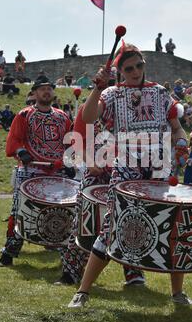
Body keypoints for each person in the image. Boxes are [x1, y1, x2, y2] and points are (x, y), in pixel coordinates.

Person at [68, 42, 192, 308]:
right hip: (126, 167)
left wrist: (183, 143)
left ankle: (178, 294)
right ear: (120, 71)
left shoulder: (162, 93)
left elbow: (176, 128)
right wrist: (97, 88)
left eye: (139, 65)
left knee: (171, 223)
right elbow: (90, 117)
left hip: (160, 168)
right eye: (129, 68)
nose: (135, 71)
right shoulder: (112, 94)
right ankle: (82, 292)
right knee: (111, 227)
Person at [56, 104, 145, 286]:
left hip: (124, 172)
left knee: (128, 220)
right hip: (94, 173)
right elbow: (78, 137)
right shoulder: (89, 108)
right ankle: (71, 272)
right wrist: (88, 162)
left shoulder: (128, 109)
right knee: (84, 221)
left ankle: (133, 273)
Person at [0, 76, 75, 268]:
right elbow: (14, 139)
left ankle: (58, 247)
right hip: (31, 169)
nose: (46, 91)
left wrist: (70, 162)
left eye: (49, 88)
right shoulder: (24, 115)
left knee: (61, 211)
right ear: (34, 93)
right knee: (20, 211)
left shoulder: (63, 117)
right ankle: (10, 251)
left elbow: (70, 143)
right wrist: (21, 151)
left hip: (56, 170)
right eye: (42, 89)